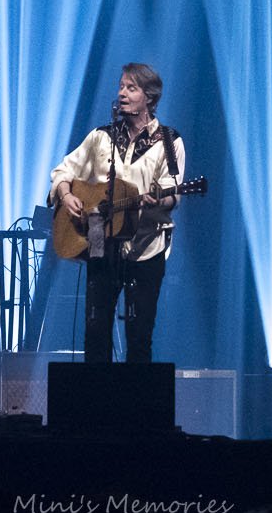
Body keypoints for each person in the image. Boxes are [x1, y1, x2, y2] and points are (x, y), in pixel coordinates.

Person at [49, 63, 186, 363]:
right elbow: (63, 170)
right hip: (99, 240)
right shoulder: (102, 137)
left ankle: (137, 408)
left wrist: (158, 201)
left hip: (146, 246)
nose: (122, 93)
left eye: (131, 88)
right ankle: (96, 407)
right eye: (121, 86)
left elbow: (172, 191)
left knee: (139, 336)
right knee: (95, 332)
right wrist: (67, 194)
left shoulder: (169, 141)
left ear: (149, 97)